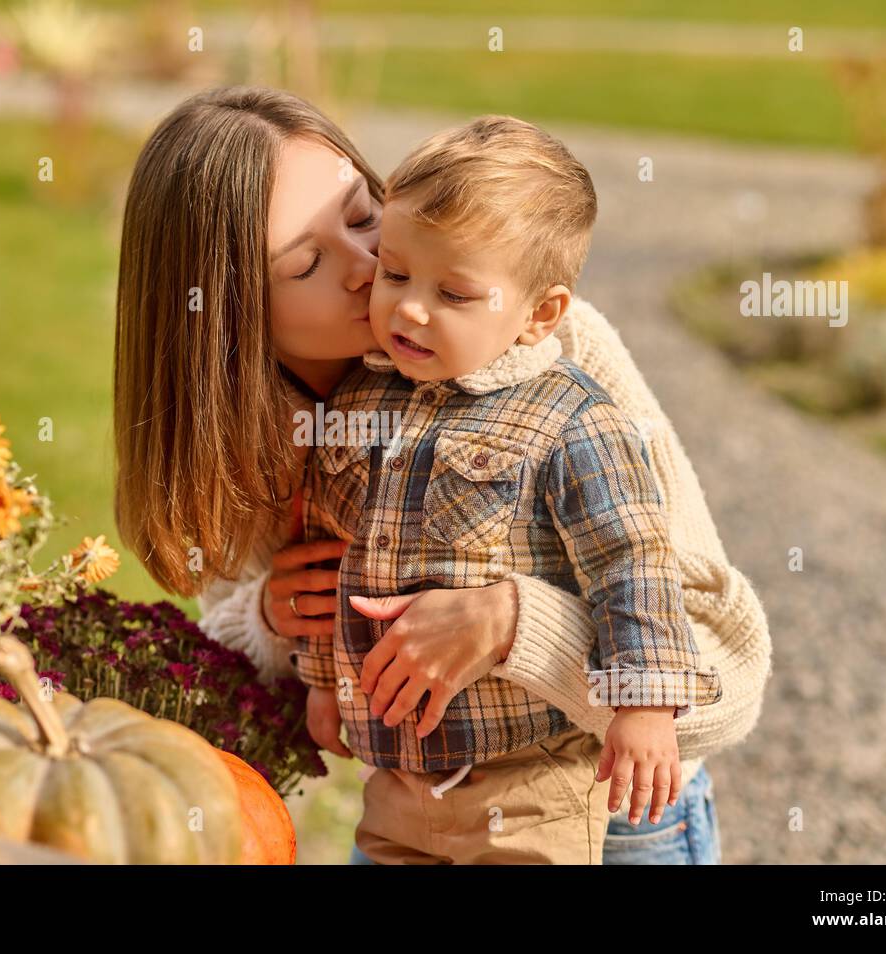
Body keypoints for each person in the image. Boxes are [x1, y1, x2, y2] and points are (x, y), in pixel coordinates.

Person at [111, 86, 771, 864]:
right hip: (413, 814)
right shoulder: (244, 437)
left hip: (611, 814)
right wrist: (270, 622)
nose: (373, 267)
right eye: (307, 263)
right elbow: (241, 685)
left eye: (362, 216)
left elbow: (726, 672)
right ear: (226, 316)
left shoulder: (546, 356)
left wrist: (512, 624)